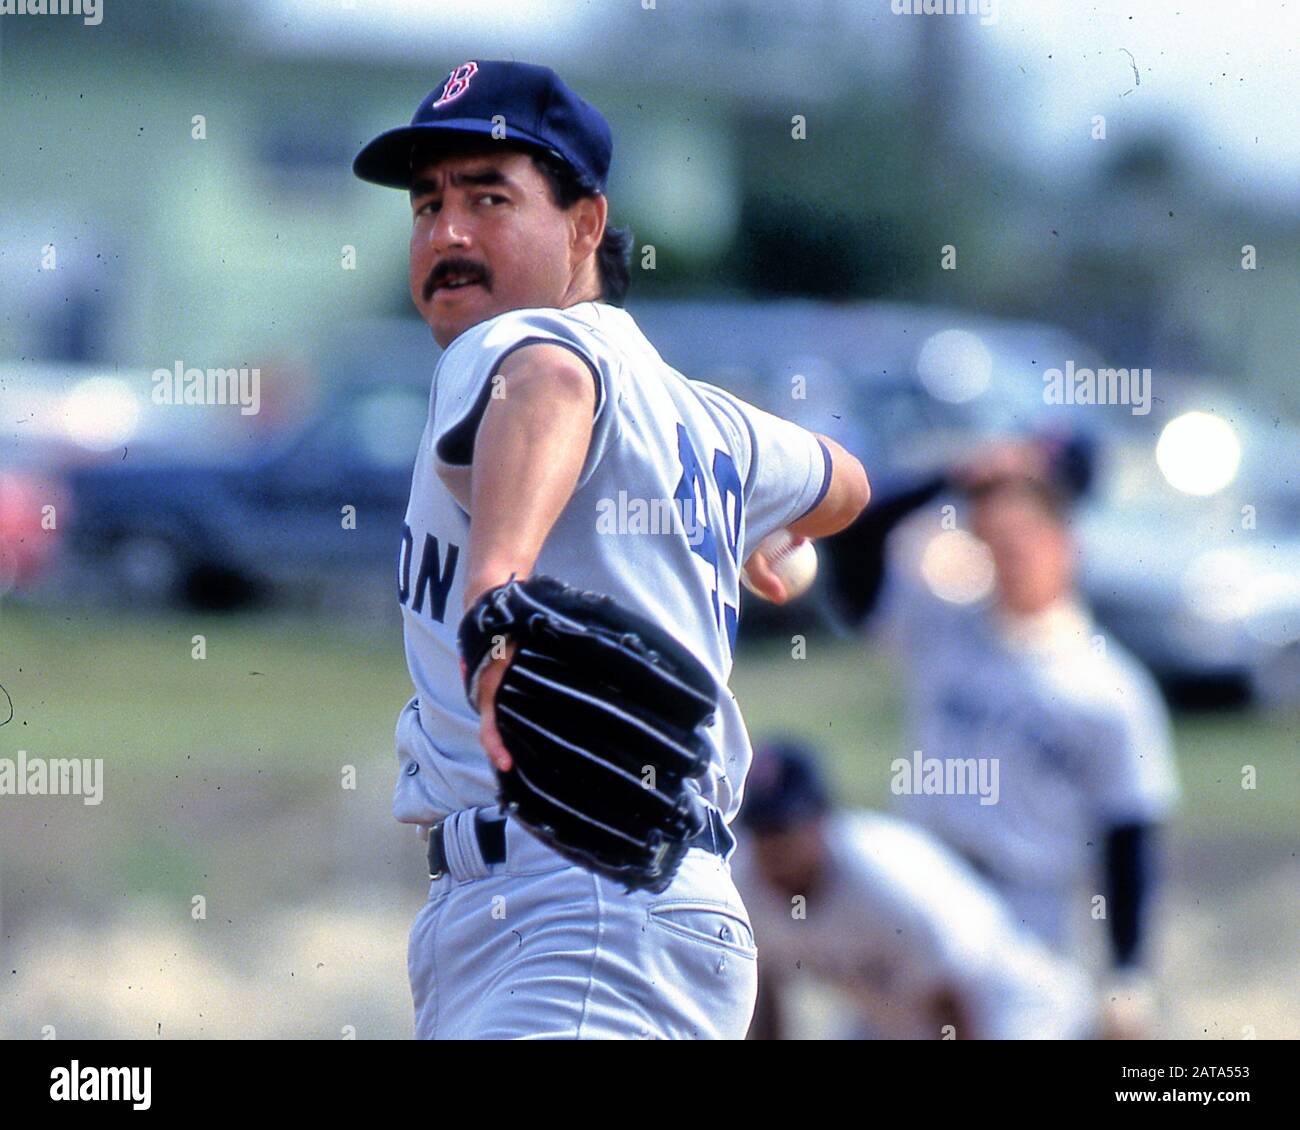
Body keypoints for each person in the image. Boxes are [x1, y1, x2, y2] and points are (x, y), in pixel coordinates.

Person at [351, 60, 869, 1039]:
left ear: (585, 224)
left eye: (489, 197)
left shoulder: (516, 346)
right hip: (584, 910)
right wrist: (773, 523)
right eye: (428, 204)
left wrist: (497, 582)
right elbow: (845, 478)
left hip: (582, 904)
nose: (446, 232)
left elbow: (545, 383)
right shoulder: (705, 416)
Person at [846, 438, 1178, 1037]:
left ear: (1066, 544)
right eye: (996, 540)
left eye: (1025, 537)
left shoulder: (1110, 687)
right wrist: (952, 473)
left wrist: (1129, 972)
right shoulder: (941, 626)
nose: (1011, 554)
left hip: (1024, 927)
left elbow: (1128, 838)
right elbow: (853, 538)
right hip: (917, 908)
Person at [734, 740, 1094, 1040]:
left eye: (782, 829)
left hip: (1009, 1010)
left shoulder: (883, 875)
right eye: (760, 830)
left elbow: (954, 997)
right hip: (900, 1021)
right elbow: (760, 991)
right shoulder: (744, 883)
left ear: (820, 821)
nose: (771, 846)